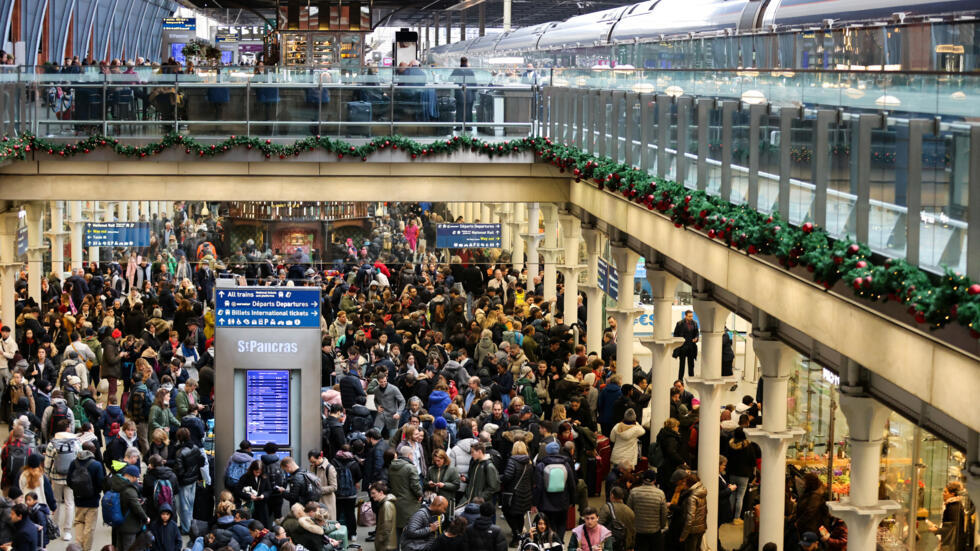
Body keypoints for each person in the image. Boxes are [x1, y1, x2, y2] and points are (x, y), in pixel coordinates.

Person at [533, 441, 576, 541]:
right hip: (563, 502)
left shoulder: (541, 465)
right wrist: (572, 501)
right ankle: (559, 543)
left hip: (546, 503)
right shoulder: (566, 464)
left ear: (547, 451)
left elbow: (538, 487)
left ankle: (550, 544)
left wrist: (535, 503)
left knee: (549, 525)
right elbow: (572, 484)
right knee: (561, 524)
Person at [43, 417, 78, 541]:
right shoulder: (75, 441)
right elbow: (79, 458)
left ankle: (55, 526)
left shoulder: (53, 443)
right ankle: (67, 531)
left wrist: (46, 476)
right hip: (71, 477)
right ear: (67, 428)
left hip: (55, 477)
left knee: (56, 501)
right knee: (70, 503)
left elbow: (47, 461)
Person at [66, 441, 103, 551]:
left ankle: (77, 547)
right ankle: (86, 549)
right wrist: (95, 493)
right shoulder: (96, 465)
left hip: (78, 500)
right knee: (89, 528)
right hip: (92, 501)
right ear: (92, 450)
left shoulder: (74, 463)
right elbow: (100, 483)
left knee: (78, 523)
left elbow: (69, 481)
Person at [109, 464, 149, 551]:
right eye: (136, 477)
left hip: (118, 522)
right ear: (130, 476)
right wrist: (145, 518)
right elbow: (136, 507)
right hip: (129, 525)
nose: (136, 480)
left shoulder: (116, 483)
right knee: (129, 548)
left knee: (119, 547)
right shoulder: (129, 490)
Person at [500, 440, 533, 545]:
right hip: (526, 493)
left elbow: (507, 477)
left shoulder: (512, 461)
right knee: (519, 515)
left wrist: (500, 477)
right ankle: (520, 537)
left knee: (508, 513)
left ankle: (516, 536)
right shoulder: (529, 462)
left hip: (513, 494)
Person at [171, 427, 203, 533]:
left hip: (184, 482)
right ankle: (190, 526)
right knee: (190, 505)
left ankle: (186, 528)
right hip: (193, 480)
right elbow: (201, 462)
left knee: (184, 507)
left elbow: (179, 471)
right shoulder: (195, 447)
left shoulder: (180, 452)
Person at [628, 470, 668, 551]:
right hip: (655, 530)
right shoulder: (660, 493)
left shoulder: (634, 492)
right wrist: (662, 525)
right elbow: (664, 513)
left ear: (643, 479)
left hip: (639, 529)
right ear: (655, 480)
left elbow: (629, 510)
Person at [388, 446, 422, 538]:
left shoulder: (392, 466)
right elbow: (415, 486)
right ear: (410, 455)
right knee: (411, 529)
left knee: (397, 531)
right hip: (410, 504)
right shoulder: (410, 468)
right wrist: (420, 495)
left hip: (396, 502)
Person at [926, 481, 970, 551]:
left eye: (945, 492)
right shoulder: (953, 505)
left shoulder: (954, 507)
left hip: (952, 545)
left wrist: (937, 530)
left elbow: (951, 528)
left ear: (952, 494)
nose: (943, 494)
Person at [677, 474, 707, 551]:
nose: (683, 483)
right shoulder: (701, 492)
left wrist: (683, 535)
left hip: (692, 531)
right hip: (701, 527)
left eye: (684, 482)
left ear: (689, 484)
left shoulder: (691, 497)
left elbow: (690, 518)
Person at [599, 487, 635, 551]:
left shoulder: (606, 508)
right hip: (625, 545)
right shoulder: (630, 511)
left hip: (612, 544)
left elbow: (599, 525)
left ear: (612, 495)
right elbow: (633, 531)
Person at [307, 450, 337, 519]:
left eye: (314, 462)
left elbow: (334, 487)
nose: (313, 464)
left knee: (327, 523)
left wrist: (319, 489)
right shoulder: (312, 467)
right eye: (311, 462)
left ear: (320, 457)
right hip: (315, 501)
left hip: (327, 501)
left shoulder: (329, 468)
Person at [369, 481, 397, 551]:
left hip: (387, 545)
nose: (371, 496)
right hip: (387, 544)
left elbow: (387, 527)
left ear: (381, 492)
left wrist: (379, 539)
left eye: (373, 493)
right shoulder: (385, 504)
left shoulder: (386, 505)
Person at [672, 311, 699, 381]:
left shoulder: (695, 323)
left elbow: (697, 334)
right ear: (685, 316)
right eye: (689, 316)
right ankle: (680, 380)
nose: (691, 318)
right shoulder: (680, 323)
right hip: (682, 348)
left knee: (691, 365)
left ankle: (691, 379)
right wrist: (679, 342)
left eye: (692, 316)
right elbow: (675, 334)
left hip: (691, 347)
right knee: (682, 365)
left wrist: (696, 338)